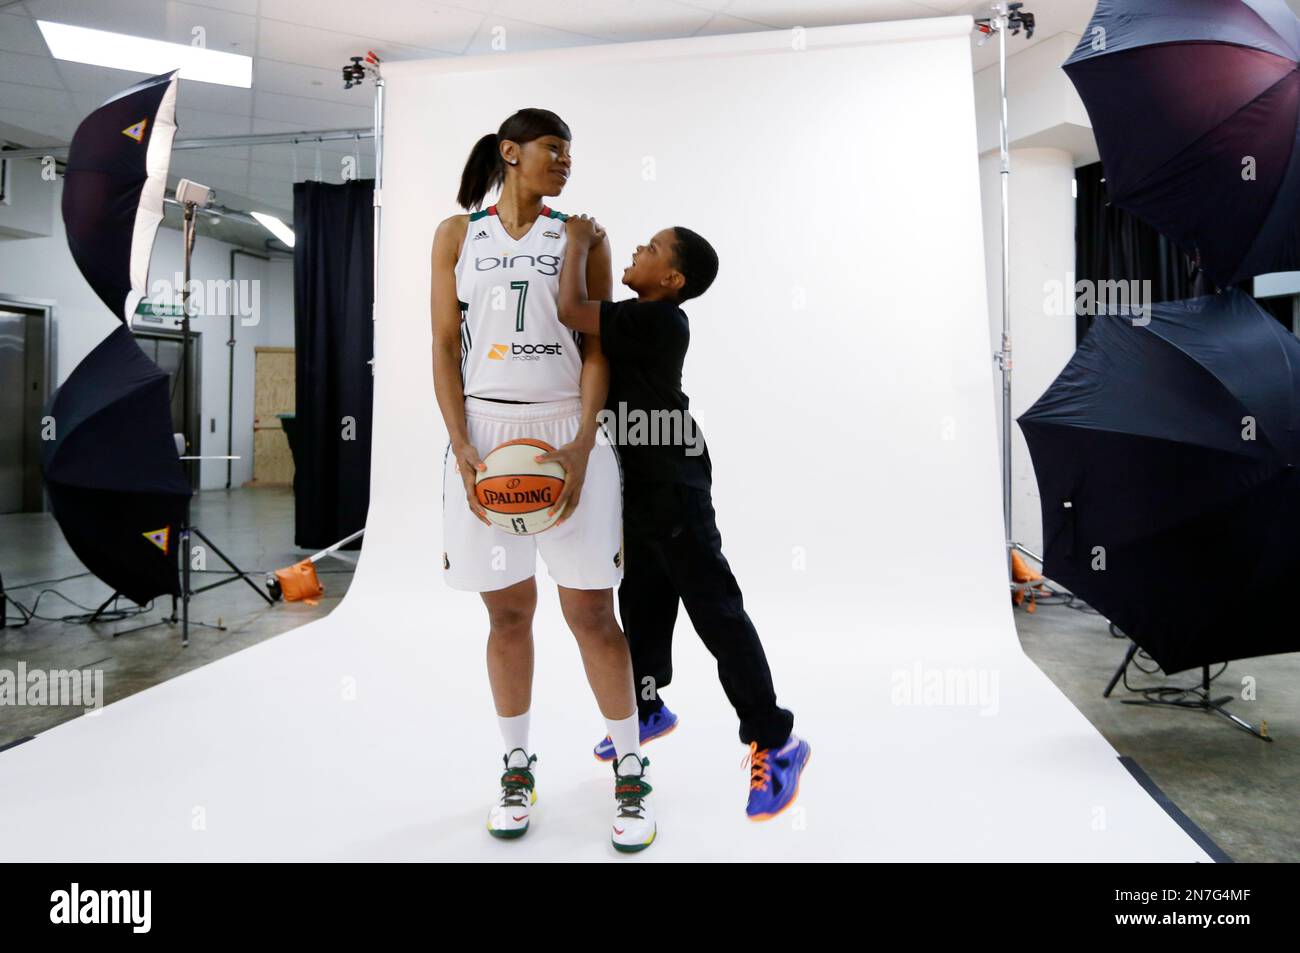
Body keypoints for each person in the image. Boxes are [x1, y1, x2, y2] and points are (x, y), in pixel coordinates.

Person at [429, 109, 655, 851]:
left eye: (569, 153)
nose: (564, 162)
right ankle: (517, 768)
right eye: (553, 150)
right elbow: (440, 345)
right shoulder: (457, 236)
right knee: (507, 615)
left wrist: (585, 443)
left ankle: (630, 771)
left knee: (592, 615)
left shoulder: (580, 235)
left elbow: (598, 347)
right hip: (487, 432)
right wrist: (461, 446)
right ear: (510, 153)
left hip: (565, 426)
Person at [555, 214, 811, 820]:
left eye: (650, 249)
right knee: (642, 601)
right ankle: (647, 707)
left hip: (674, 483)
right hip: (639, 485)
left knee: (715, 612)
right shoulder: (644, 318)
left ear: (670, 278)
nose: (638, 250)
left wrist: (575, 243)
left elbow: (572, 309)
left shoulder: (657, 320)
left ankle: (777, 740)